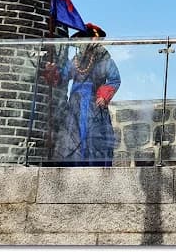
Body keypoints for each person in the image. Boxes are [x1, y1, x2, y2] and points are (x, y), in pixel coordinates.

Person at [42, 22, 121, 166]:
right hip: (74, 105)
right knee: (71, 138)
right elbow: (63, 78)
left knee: (93, 137)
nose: (80, 44)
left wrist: (103, 96)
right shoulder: (75, 60)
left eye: (83, 39)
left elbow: (114, 79)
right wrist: (53, 72)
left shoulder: (104, 59)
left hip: (93, 104)